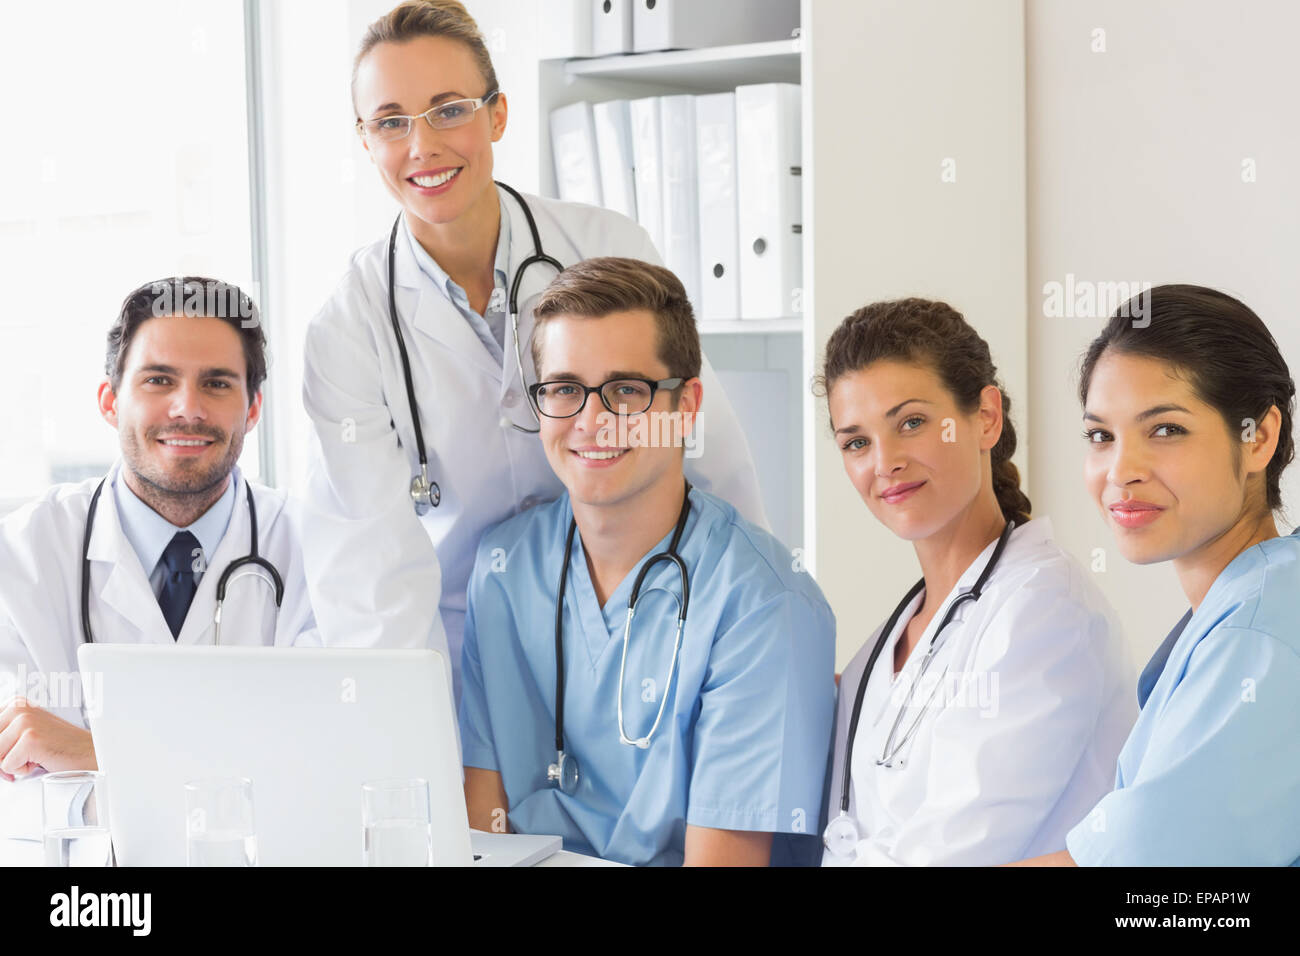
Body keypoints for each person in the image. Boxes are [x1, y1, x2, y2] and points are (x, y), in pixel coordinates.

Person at [301, 0, 766, 703]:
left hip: (636, 635)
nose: (422, 145)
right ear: (365, 141)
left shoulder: (607, 248)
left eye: (449, 108)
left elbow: (708, 459)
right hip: (457, 671)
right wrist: (422, 758)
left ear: (497, 115)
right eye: (391, 121)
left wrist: (757, 630)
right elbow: (375, 595)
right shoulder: (348, 330)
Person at [458, 258, 834, 866]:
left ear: (686, 407)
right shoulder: (504, 569)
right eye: (563, 389)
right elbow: (482, 838)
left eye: (627, 391)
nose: (591, 421)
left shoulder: (764, 605)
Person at [816, 298, 1133, 866]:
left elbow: (950, 858)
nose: (883, 462)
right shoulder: (884, 649)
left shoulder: (1041, 611)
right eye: (856, 441)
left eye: (910, 422)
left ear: (985, 417)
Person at [0, 277, 316, 834]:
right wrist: (224, 775)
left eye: (217, 383)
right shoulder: (21, 556)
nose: (186, 408)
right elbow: (15, 796)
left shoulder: (314, 550)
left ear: (253, 409)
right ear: (109, 401)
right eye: (158, 379)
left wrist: (96, 755)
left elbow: (322, 768)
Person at [1013, 285, 1300, 866]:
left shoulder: (1259, 631)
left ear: (1258, 437)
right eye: (1101, 436)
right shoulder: (1247, 605)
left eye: (1165, 429)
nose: (1122, 471)